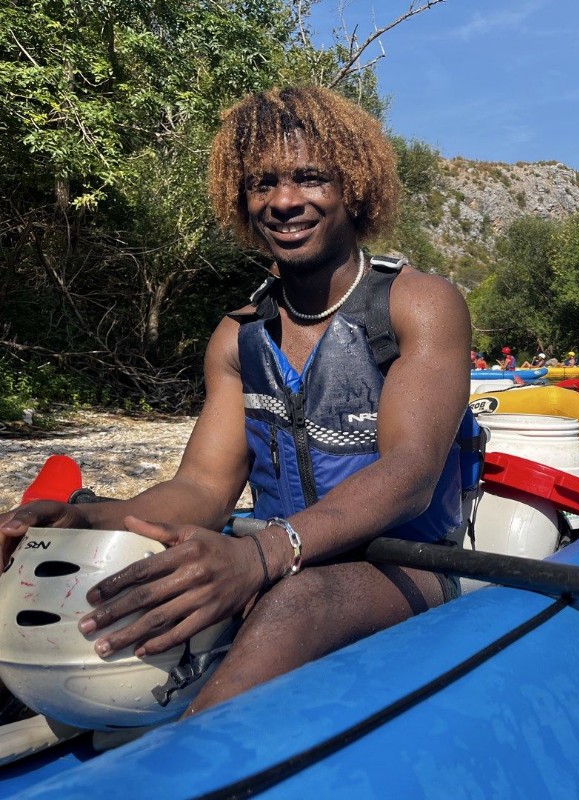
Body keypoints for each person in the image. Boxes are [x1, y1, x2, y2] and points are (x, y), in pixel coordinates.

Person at [0, 86, 472, 718]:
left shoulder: (420, 304)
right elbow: (201, 490)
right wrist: (87, 517)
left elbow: (409, 475)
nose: (283, 201)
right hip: (275, 557)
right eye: (261, 184)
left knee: (297, 603)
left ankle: (187, 765)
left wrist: (264, 555)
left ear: (354, 189)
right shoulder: (238, 336)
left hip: (406, 564)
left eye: (311, 178)